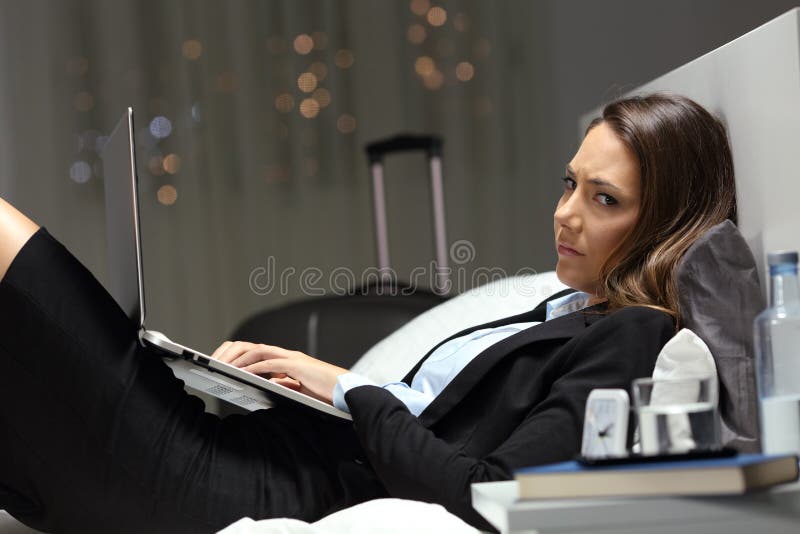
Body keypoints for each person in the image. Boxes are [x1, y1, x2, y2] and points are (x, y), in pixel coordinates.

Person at [0, 93, 736, 533]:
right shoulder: (567, 303)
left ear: (665, 220)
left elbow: (489, 497)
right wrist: (308, 389)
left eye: (604, 199)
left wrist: (349, 388)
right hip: (259, 453)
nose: (566, 215)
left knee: (20, 260)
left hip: (251, 488)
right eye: (568, 184)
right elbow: (434, 416)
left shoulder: (633, 336)